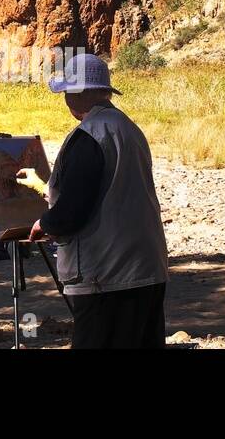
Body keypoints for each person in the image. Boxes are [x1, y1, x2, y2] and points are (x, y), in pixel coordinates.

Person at [18, 53, 169, 349]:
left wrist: (44, 223)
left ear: (78, 93)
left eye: (67, 92)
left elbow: (73, 211)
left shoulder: (89, 135)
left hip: (106, 274)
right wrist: (43, 184)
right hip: (146, 268)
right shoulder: (127, 127)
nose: (65, 99)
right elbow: (107, 189)